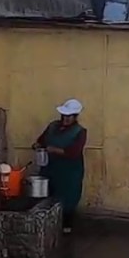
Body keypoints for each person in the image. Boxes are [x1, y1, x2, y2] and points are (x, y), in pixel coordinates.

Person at [33, 99, 88, 233]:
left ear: (75, 117)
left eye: (69, 116)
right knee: (48, 196)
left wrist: (55, 150)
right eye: (64, 115)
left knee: (67, 199)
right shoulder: (52, 127)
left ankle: (66, 227)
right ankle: (46, 226)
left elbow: (74, 152)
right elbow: (42, 140)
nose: (65, 118)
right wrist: (37, 146)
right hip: (50, 168)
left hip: (69, 171)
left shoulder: (80, 132)